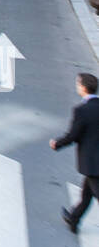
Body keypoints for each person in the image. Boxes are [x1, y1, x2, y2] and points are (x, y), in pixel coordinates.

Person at [51, 73, 99, 234]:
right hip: (94, 164)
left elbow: (73, 135)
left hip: (93, 163)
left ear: (84, 88)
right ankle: (74, 218)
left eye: (78, 84)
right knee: (87, 193)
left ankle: (74, 218)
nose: (77, 86)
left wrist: (57, 143)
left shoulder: (82, 110)